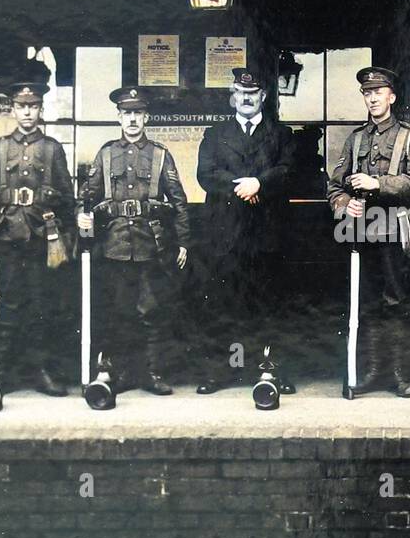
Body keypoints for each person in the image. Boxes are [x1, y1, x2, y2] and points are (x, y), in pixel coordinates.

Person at [77, 87, 190, 395]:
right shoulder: (106, 153)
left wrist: (182, 242)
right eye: (127, 113)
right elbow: (87, 197)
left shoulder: (160, 154)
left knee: (151, 311)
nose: (132, 119)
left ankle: (153, 373)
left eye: (137, 113)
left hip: (152, 244)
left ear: (146, 117)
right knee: (121, 312)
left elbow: (179, 200)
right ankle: (125, 372)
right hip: (115, 245)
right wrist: (82, 216)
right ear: (119, 118)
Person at [327, 66, 410, 397]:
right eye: (367, 93)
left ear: (392, 97)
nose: (372, 98)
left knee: (396, 300)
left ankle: (399, 375)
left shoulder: (408, 136)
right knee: (367, 301)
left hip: (397, 230)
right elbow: (334, 184)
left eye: (378, 92)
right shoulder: (356, 139)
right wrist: (344, 204)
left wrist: (377, 183)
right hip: (361, 230)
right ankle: (372, 372)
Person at [195, 67, 296, 395]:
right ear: (232, 98)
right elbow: (206, 174)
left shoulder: (282, 135)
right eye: (241, 93)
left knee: (269, 304)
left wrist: (260, 184)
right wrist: (241, 185)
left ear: (263, 97)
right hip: (226, 234)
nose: (247, 98)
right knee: (224, 303)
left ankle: (270, 370)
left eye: (253, 94)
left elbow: (289, 171)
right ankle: (223, 371)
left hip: (267, 235)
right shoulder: (214, 135)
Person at [0, 67, 76, 396]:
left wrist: (69, 239)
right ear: (13, 109)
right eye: (21, 106)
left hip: (41, 237)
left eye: (32, 107)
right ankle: (1, 369)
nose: (27, 112)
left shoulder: (52, 148)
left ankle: (40, 369)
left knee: (40, 303)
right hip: (6, 236)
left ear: (40, 110)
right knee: (8, 302)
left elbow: (68, 197)